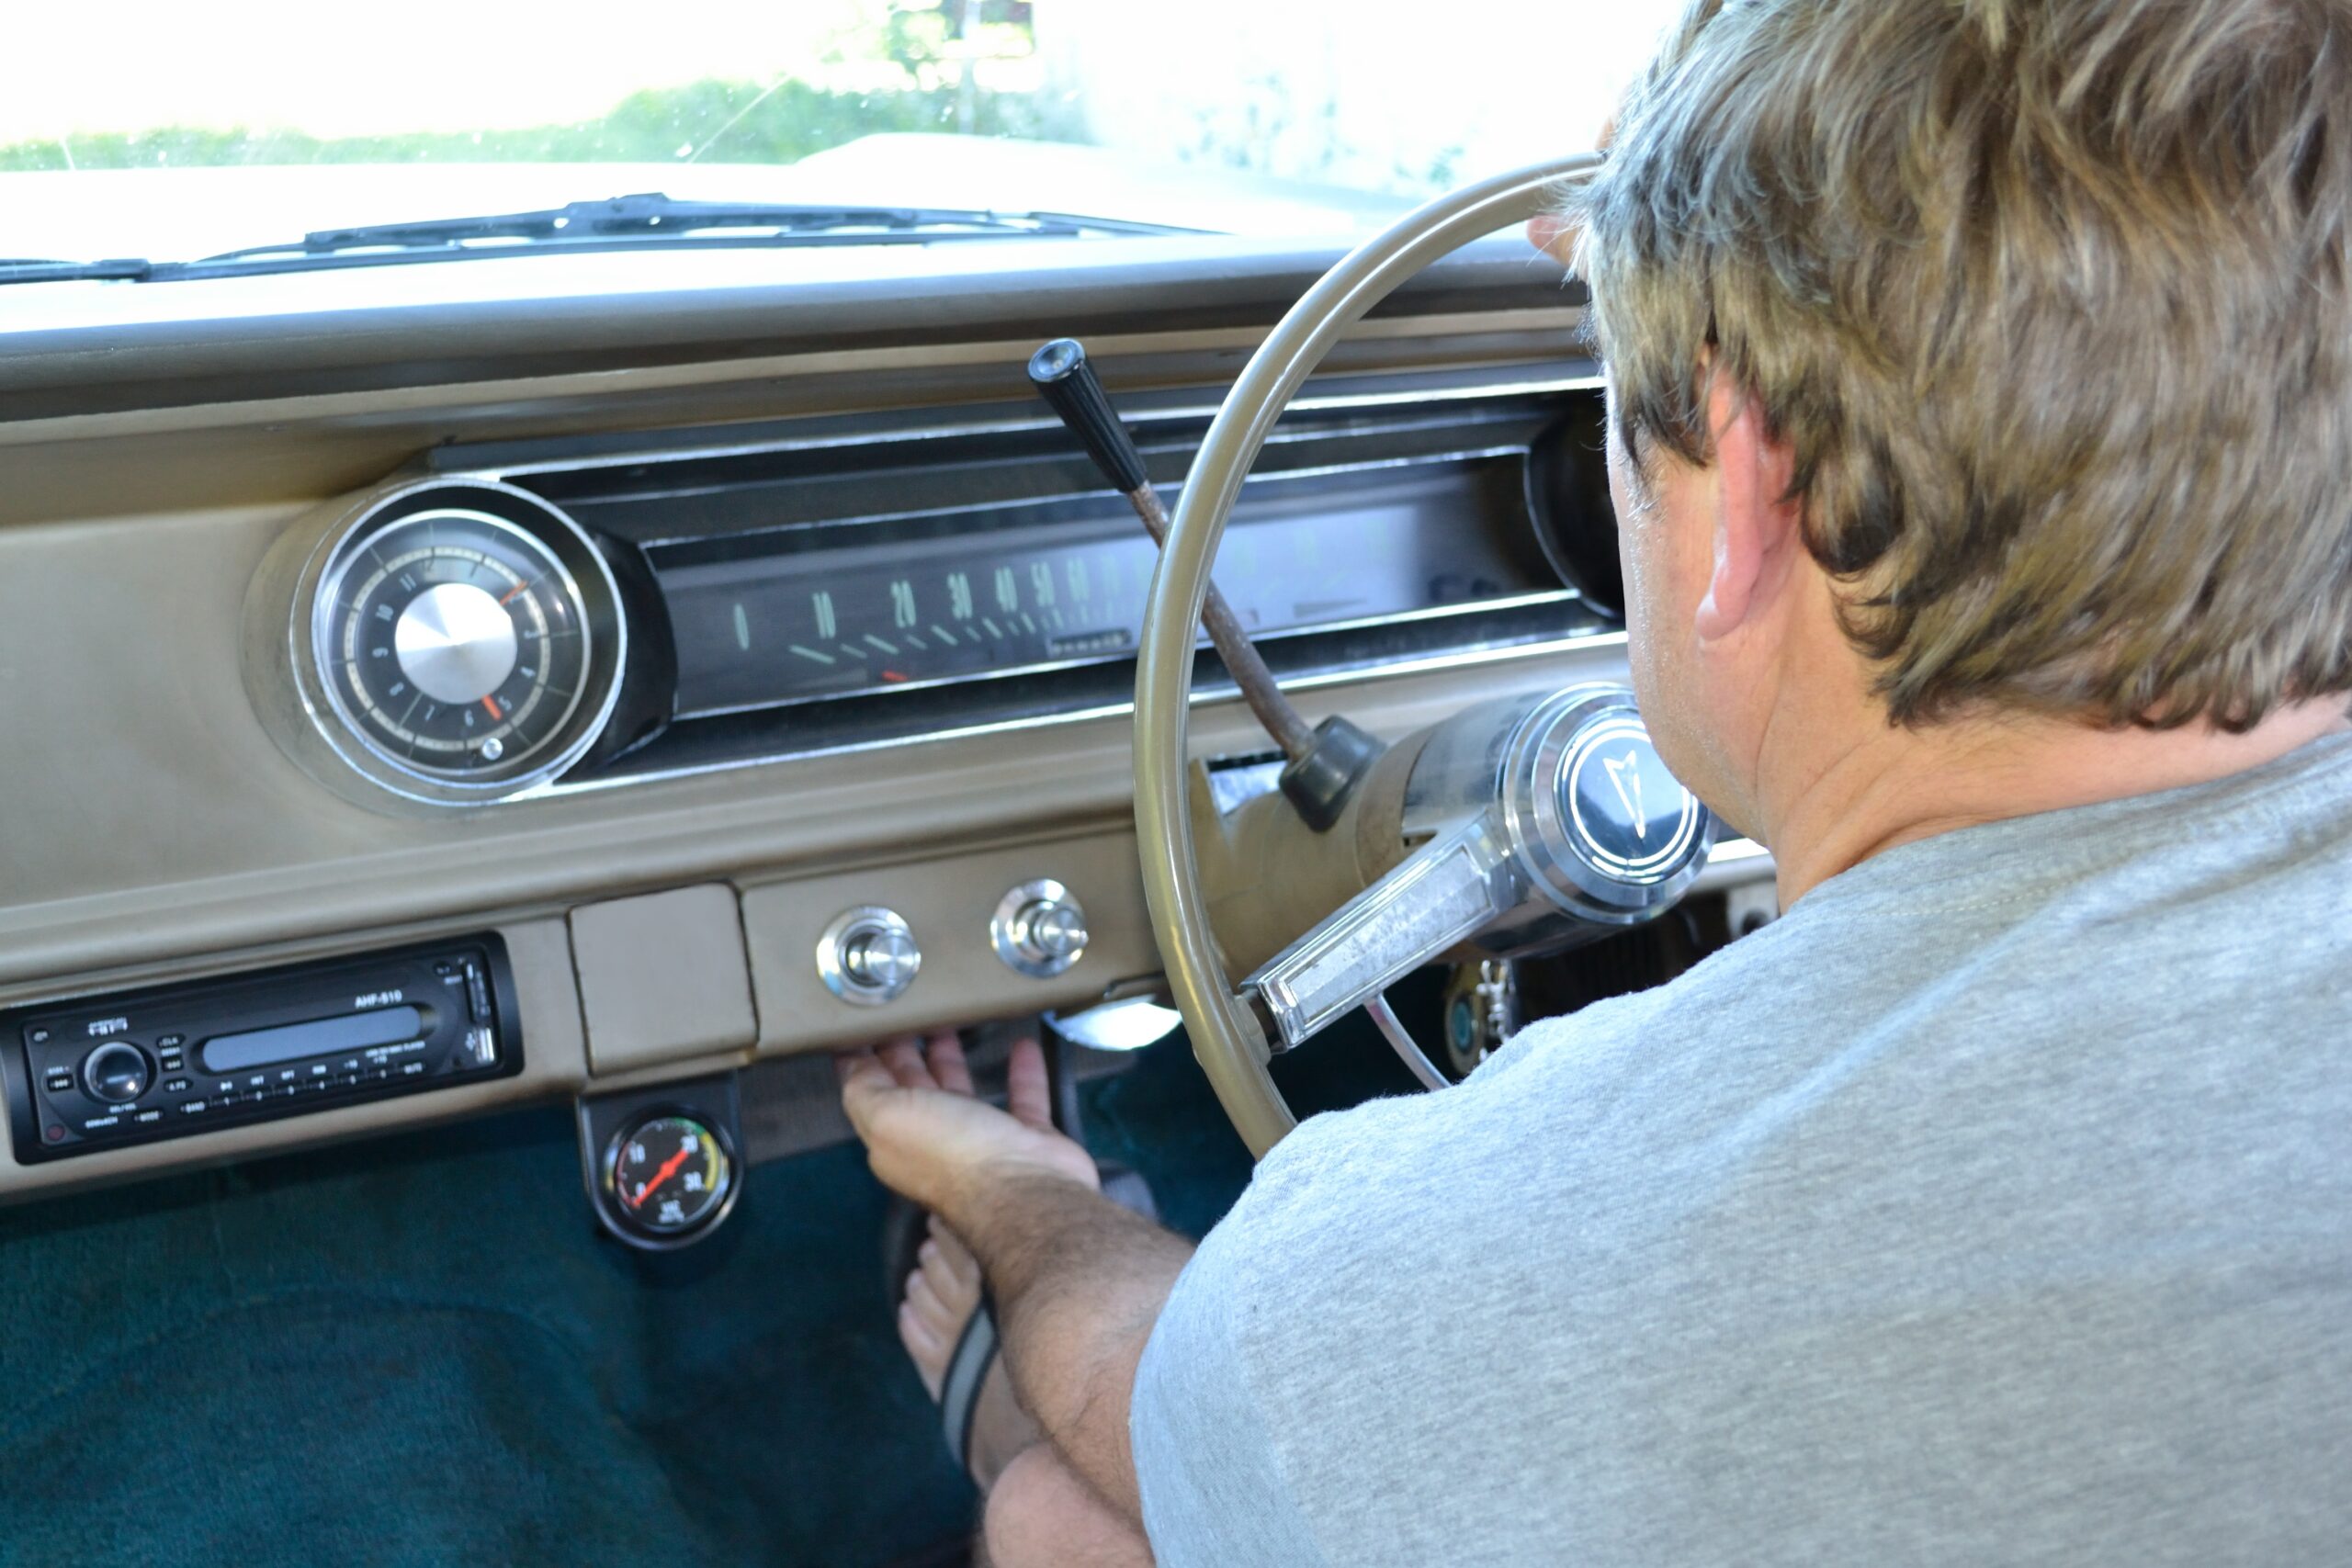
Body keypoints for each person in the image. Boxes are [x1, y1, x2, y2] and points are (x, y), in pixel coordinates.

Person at [839, 0, 2352, 1560]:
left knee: (1051, 1500)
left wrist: (1026, 1198)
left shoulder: (1511, 1267)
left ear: (1753, 491)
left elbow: (1165, 1386)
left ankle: (984, 1407)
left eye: (1624, 440)